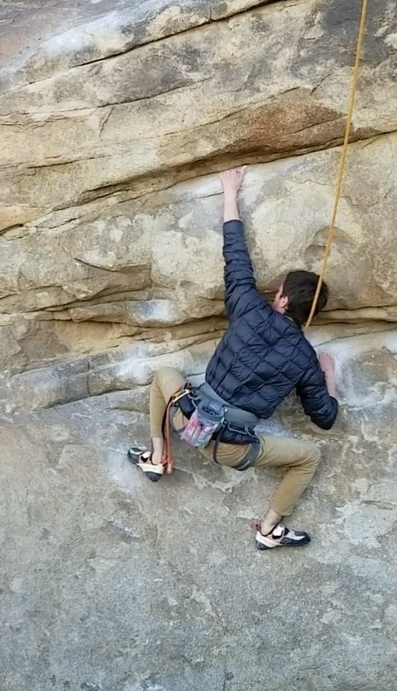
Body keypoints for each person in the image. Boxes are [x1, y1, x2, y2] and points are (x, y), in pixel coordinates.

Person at [128, 168, 338, 548]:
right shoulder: (305, 358)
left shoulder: (248, 308)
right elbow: (325, 417)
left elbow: (236, 258)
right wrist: (328, 375)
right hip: (233, 448)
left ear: (283, 300)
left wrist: (229, 193)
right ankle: (269, 529)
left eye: (277, 291)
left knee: (163, 374)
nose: (273, 294)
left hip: (189, 417)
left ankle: (157, 455)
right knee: (308, 457)